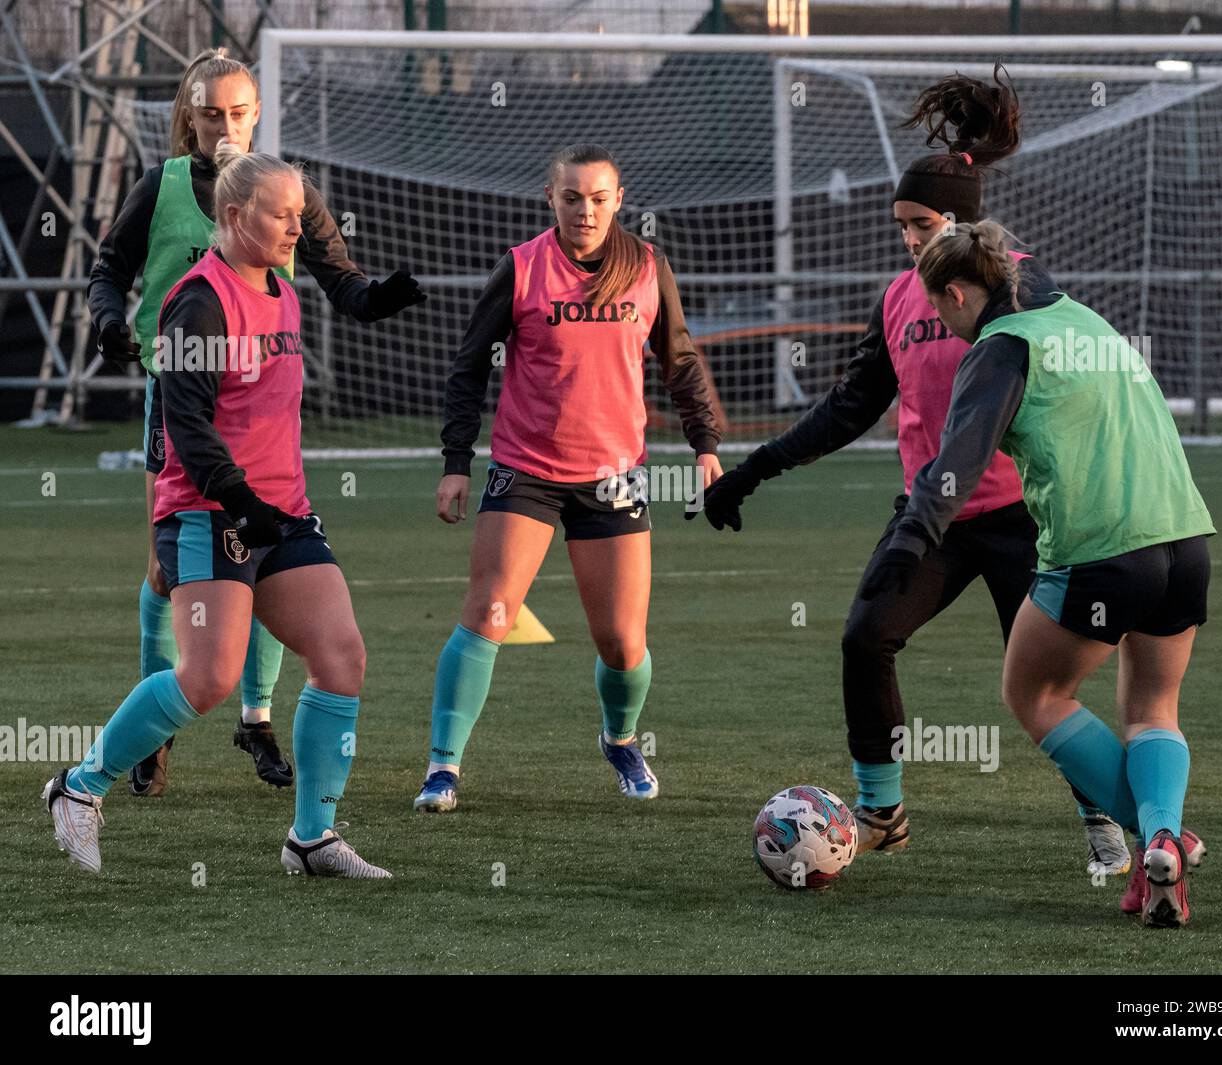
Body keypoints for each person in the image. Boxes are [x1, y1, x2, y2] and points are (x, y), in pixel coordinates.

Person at [694, 68, 1197, 879]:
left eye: (922, 223)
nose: (909, 239)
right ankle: (882, 810)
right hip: (933, 517)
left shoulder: (1018, 284)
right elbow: (850, 407)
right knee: (866, 635)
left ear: (963, 224)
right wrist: (751, 471)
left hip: (1030, 522)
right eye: (898, 225)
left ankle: (1103, 818)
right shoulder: (899, 299)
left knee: (1044, 688)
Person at [46, 148, 391, 879]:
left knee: (341, 658)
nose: (297, 226)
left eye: (301, 214)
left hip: (282, 515)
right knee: (207, 678)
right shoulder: (199, 300)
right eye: (282, 214)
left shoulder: (283, 291)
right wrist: (241, 503)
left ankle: (311, 838)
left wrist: (272, 509)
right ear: (234, 216)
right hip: (208, 514)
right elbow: (189, 426)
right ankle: (78, 787)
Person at [87, 47, 424, 796]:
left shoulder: (283, 192)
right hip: (184, 404)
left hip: (264, 399)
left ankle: (257, 714)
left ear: (260, 112)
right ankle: (153, 730)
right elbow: (108, 270)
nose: (226, 125)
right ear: (189, 116)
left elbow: (343, 280)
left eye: (240, 112)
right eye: (211, 113)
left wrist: (379, 297)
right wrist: (111, 317)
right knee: (169, 569)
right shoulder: (164, 185)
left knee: (269, 541)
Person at [875, 218, 1215, 926]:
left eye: (939, 306)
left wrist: (910, 541)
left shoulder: (1001, 350)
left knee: (1035, 691)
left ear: (960, 291)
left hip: (1102, 553)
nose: (941, 321)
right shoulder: (1083, 317)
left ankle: (1162, 836)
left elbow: (956, 466)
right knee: (1153, 708)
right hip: (1186, 539)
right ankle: (1159, 867)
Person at [414, 143, 723, 813]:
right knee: (491, 610)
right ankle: (443, 766)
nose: (585, 210)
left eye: (599, 197)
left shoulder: (646, 267)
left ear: (619, 199)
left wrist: (705, 446)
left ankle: (620, 738)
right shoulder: (522, 268)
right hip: (526, 469)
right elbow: (469, 366)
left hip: (614, 478)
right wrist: (455, 463)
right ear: (549, 199)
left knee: (621, 640)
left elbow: (681, 360)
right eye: (572, 197)